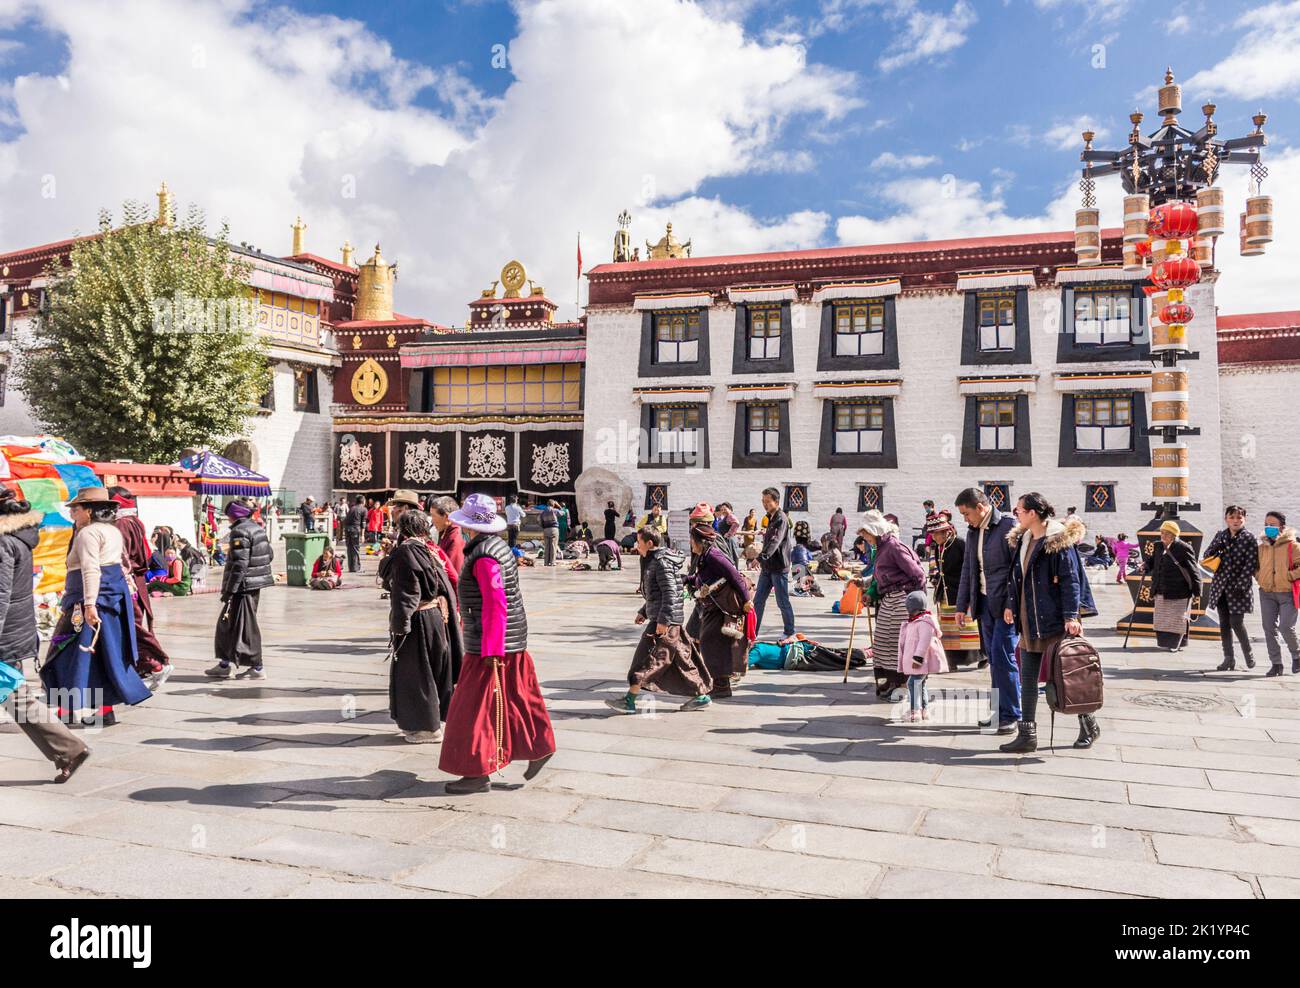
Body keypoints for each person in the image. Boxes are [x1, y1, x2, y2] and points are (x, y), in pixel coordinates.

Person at [438, 494, 555, 794]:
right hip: (508, 641)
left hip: (492, 646)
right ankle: (539, 746)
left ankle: (476, 771)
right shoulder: (498, 547)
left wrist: (491, 650)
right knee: (518, 697)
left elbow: (495, 603)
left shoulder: (485, 555)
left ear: (469, 526)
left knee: (471, 709)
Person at [0, 488, 93, 781]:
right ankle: (69, 749)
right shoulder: (19, 539)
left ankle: (69, 749)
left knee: (16, 698)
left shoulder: (3, 543)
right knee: (16, 698)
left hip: (5, 634)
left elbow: (1, 594)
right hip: (14, 631)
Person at [40, 487, 151, 729]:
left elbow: (91, 569)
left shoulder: (88, 534)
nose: (72, 515)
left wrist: (89, 604)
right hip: (111, 599)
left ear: (89, 511)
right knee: (106, 654)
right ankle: (105, 710)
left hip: (86, 602)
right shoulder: (111, 531)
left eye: (76, 509)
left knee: (66, 653)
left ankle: (66, 709)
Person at [1001, 492, 1100, 754]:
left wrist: (1071, 616)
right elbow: (1017, 577)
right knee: (1029, 679)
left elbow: (1071, 580)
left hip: (1054, 619)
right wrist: (1011, 604)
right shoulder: (1023, 539)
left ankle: (1089, 724)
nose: (1016, 514)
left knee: (1070, 675)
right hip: (1028, 618)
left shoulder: (1058, 541)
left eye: (1019, 510)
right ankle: (1027, 735)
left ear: (1033, 513)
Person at [607, 527, 712, 713]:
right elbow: (656, 593)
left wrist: (662, 621)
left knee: (646, 659)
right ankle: (701, 696)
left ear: (649, 543)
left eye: (638, 542)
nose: (635, 545)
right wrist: (644, 611)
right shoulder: (652, 560)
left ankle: (630, 700)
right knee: (682, 661)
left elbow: (671, 594)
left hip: (665, 622)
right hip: (665, 619)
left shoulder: (660, 562)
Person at [384, 509, 462, 744]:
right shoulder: (430, 549)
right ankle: (432, 722)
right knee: (433, 671)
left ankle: (426, 728)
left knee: (417, 675)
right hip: (436, 617)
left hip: (418, 620)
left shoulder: (407, 551)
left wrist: (400, 625)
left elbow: (406, 593)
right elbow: (449, 580)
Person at [954, 487, 1021, 735]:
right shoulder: (973, 531)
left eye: (966, 513)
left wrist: (1011, 605)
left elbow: (1018, 570)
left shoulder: (1007, 526)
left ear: (981, 508)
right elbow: (968, 569)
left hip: (1004, 606)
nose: (964, 519)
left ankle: (1012, 714)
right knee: (994, 660)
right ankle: (999, 711)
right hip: (983, 605)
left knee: (1004, 659)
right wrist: (962, 606)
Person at [107, 486, 173, 690]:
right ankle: (142, 668)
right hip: (138, 579)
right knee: (130, 625)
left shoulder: (120, 524)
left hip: (127, 579)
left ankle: (155, 664)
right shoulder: (134, 521)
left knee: (129, 627)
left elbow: (121, 557)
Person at [859, 509, 926, 699]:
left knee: (897, 643)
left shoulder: (894, 547)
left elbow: (918, 574)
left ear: (874, 531)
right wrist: (870, 591)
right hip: (888, 599)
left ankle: (904, 683)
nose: (864, 537)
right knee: (882, 643)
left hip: (901, 600)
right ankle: (891, 680)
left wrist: (915, 605)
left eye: (865, 533)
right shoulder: (882, 548)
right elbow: (882, 575)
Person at [206, 497, 274, 681]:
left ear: (233, 515)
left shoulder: (240, 532)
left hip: (242, 587)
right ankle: (224, 664)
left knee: (245, 628)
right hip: (253, 584)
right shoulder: (257, 528)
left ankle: (257, 667)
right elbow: (270, 554)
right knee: (228, 625)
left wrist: (230, 590)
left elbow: (239, 565)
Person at [684, 522, 753, 699]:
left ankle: (721, 686)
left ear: (701, 541)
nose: (691, 543)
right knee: (710, 642)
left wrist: (746, 600)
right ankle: (719, 683)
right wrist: (688, 579)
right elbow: (702, 577)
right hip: (711, 605)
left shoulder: (714, 555)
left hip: (721, 606)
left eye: (692, 540)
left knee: (709, 641)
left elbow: (735, 576)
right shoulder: (704, 557)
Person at [1203, 505, 1259, 672]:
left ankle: (1248, 652)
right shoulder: (1220, 535)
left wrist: (1241, 585)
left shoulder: (1249, 538)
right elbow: (1207, 555)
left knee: (1236, 622)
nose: (1235, 521)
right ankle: (1228, 658)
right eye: (1232, 517)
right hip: (1221, 585)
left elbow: (1250, 564)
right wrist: (1217, 546)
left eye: (1239, 518)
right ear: (1226, 518)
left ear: (1244, 520)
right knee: (1224, 623)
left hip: (1238, 587)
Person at [928, 510, 980, 665]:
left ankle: (979, 657)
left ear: (946, 532)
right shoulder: (937, 547)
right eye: (933, 534)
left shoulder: (959, 544)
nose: (935, 537)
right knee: (948, 629)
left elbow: (970, 567)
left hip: (959, 591)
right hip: (944, 594)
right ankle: (951, 660)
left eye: (937, 534)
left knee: (966, 627)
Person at [1255, 510, 1300, 676]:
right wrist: (1260, 577)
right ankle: (1276, 664)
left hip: (1286, 592)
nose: (1268, 528)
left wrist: (1289, 576)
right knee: (1268, 628)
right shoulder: (1262, 547)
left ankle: (1297, 655)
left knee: (1286, 627)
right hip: (1266, 592)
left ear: (1282, 526)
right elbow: (1255, 567)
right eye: (1266, 524)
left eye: (1272, 525)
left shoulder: (1293, 546)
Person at [750, 487, 796, 642]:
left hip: (778, 567)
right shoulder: (770, 517)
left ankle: (789, 631)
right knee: (758, 600)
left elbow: (775, 541)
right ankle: (752, 632)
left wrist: (760, 557)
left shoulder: (781, 518)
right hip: (767, 568)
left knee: (782, 601)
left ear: (776, 501)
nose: (765, 504)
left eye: (768, 502)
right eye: (763, 501)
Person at [1146, 520, 1198, 652]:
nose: (1163, 536)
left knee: (1177, 619)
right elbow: (1153, 561)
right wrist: (1145, 566)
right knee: (1162, 618)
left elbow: (1193, 570)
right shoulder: (1158, 546)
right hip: (1161, 588)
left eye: (1167, 533)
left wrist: (1197, 591)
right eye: (1162, 533)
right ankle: (1166, 642)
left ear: (1174, 535)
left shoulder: (1183, 548)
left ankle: (1178, 643)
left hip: (1178, 590)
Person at [899, 590, 947, 723]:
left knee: (913, 683)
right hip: (920, 662)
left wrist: (917, 659)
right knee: (921, 684)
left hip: (920, 662)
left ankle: (915, 712)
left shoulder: (924, 623)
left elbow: (923, 643)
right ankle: (924, 710)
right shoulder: (918, 621)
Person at [430, 496, 466, 576]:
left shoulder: (456, 536)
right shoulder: (447, 532)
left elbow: (453, 572)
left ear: (446, 517)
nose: (432, 520)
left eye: (433, 516)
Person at [344, 495, 367, 572]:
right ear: (363, 501)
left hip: (347, 529)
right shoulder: (364, 509)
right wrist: (363, 535)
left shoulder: (352, 508)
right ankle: (356, 568)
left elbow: (346, 520)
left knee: (349, 548)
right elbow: (363, 523)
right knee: (355, 548)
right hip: (355, 529)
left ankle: (351, 568)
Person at [539, 500, 560, 567]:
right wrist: (559, 506)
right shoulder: (555, 510)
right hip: (554, 529)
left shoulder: (543, 512)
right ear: (553, 505)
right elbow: (563, 513)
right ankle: (552, 562)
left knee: (547, 546)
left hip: (546, 530)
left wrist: (544, 528)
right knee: (553, 546)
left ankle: (546, 562)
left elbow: (540, 522)